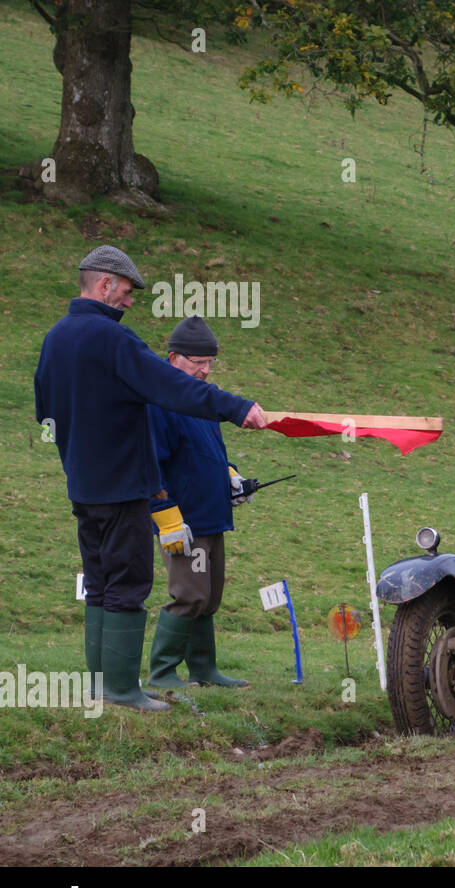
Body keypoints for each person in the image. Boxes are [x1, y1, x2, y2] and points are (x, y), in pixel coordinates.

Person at [33, 245, 267, 713]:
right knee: (128, 582)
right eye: (125, 291)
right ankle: (122, 690)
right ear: (103, 285)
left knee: (99, 583)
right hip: (123, 488)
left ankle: (100, 686)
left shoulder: (55, 338)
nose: (130, 300)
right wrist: (237, 407)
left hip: (83, 486)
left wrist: (75, 460)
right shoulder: (113, 341)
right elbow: (172, 386)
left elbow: (46, 412)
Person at [147, 316, 255, 690]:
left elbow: (211, 451)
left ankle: (203, 670)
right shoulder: (158, 401)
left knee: (208, 597)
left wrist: (232, 478)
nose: (206, 371)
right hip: (183, 520)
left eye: (210, 363)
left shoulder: (201, 398)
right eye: (198, 363)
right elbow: (150, 465)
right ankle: (161, 673)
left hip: (211, 515)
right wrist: (166, 520)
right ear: (175, 358)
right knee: (189, 595)